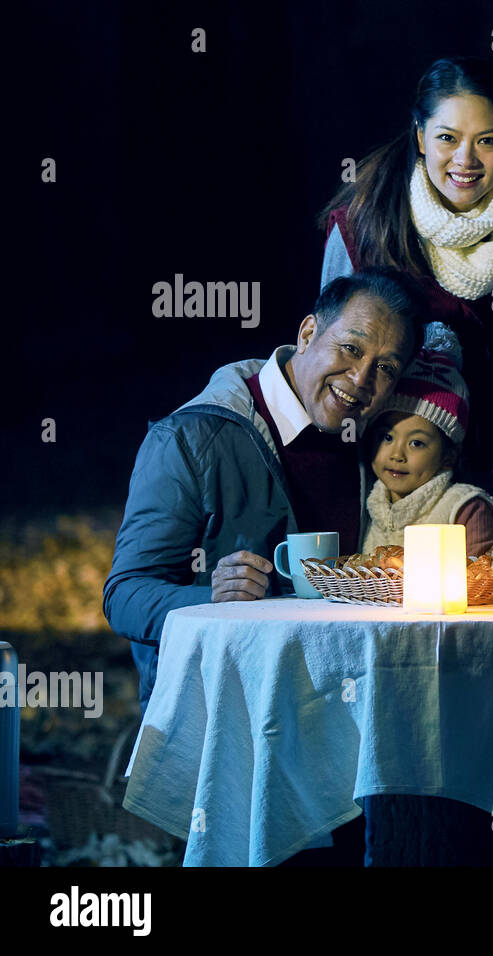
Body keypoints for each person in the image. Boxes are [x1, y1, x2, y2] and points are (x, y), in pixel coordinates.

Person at [104, 269, 428, 709]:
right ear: (309, 332)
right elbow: (124, 595)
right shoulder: (191, 437)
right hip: (214, 715)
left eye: (385, 367)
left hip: (332, 706)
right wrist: (213, 600)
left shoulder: (370, 447)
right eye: (350, 348)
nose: (360, 378)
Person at [319, 55, 493, 535]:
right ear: (419, 136)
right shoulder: (363, 224)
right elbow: (328, 356)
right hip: (390, 467)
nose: (465, 160)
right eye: (447, 137)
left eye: (487, 141)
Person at [362, 322, 493, 558]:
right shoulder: (371, 505)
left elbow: (481, 583)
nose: (397, 455)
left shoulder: (464, 508)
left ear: (448, 455)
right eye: (387, 437)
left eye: (417, 443)